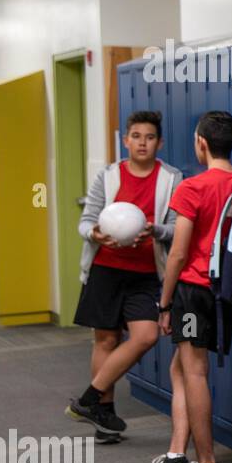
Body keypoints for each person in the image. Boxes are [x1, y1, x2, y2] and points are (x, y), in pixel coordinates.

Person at [129, 111, 232, 463]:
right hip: (223, 290)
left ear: (201, 143)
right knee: (180, 369)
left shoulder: (192, 188)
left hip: (191, 291)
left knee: (193, 371)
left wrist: (164, 304)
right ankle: (177, 453)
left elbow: (178, 253)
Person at [67, 111, 182, 441]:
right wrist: (95, 235)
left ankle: (90, 398)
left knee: (146, 335)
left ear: (159, 142)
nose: (142, 142)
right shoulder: (109, 176)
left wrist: (155, 230)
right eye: (136, 136)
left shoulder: (172, 179)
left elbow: (176, 226)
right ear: (125, 140)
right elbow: (86, 220)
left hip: (146, 273)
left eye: (149, 137)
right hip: (105, 268)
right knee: (106, 340)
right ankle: (104, 414)